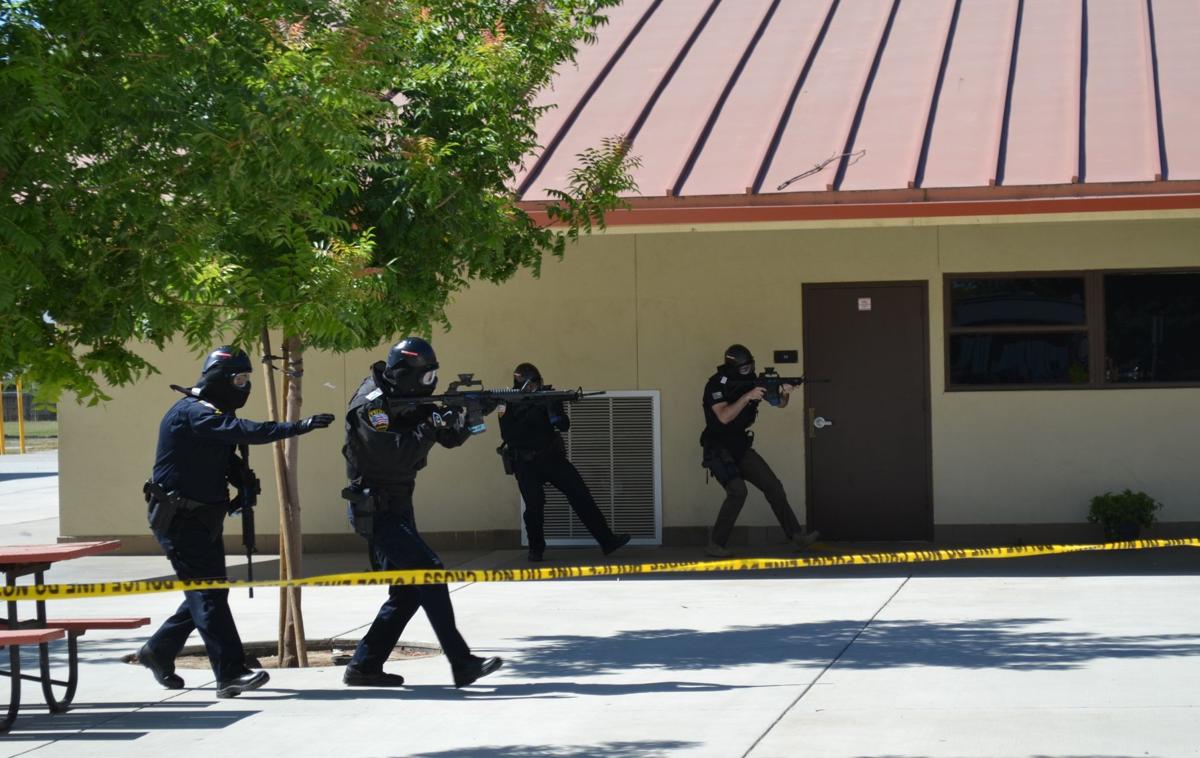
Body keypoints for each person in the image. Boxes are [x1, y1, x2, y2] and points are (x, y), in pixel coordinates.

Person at [139, 346, 335, 698]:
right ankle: (230, 672)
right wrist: (297, 426)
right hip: (180, 520)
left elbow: (218, 453)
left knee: (209, 593)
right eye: (239, 379)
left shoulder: (210, 412)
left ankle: (158, 650)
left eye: (247, 380)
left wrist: (241, 480)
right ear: (218, 379)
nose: (244, 387)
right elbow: (243, 430)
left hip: (202, 518)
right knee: (209, 595)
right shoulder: (193, 413)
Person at [341, 337, 502, 688]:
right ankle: (462, 663)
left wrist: (473, 415)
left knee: (408, 591)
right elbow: (393, 453)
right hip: (376, 508)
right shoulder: (372, 406)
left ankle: (364, 667)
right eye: (427, 378)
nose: (432, 385)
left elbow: (450, 439)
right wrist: (429, 426)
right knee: (430, 572)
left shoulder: (405, 398)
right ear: (406, 374)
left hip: (397, 504)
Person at [497, 362, 631, 562]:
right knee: (534, 507)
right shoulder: (507, 402)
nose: (536, 386)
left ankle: (607, 540)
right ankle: (536, 550)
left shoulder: (548, 398)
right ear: (521, 385)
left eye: (537, 382)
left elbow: (564, 425)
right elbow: (509, 434)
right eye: (531, 383)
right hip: (525, 463)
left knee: (580, 494)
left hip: (551, 458)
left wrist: (552, 410)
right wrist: (531, 412)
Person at [700, 344, 819, 558]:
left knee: (772, 486)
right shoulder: (716, 385)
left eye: (750, 366)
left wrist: (784, 392)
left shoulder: (752, 381)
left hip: (740, 446)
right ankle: (715, 544)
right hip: (718, 447)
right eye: (744, 368)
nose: (749, 371)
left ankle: (796, 536)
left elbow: (778, 403)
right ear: (733, 367)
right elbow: (724, 416)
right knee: (738, 491)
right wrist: (747, 396)